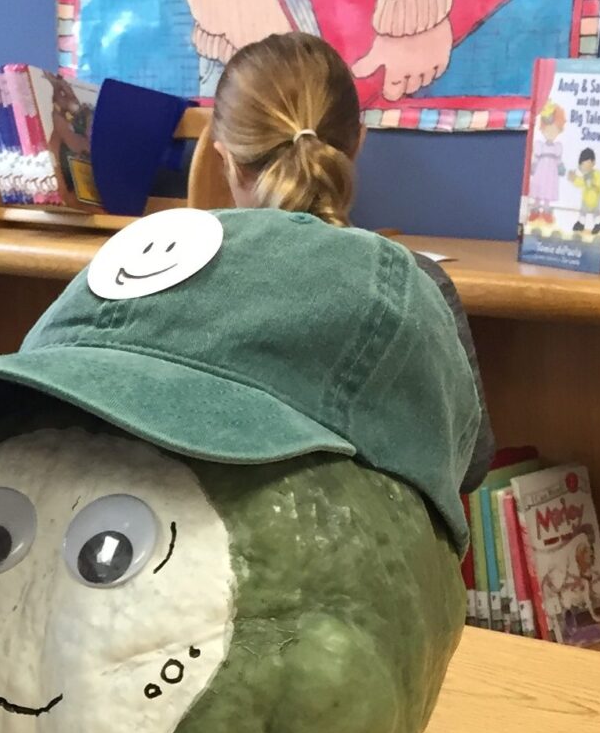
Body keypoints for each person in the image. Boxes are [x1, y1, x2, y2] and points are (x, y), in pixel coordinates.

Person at [211, 29, 496, 491]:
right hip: (375, 556)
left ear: (225, 158)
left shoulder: (175, 276)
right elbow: (471, 461)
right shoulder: (417, 284)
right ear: (357, 143)